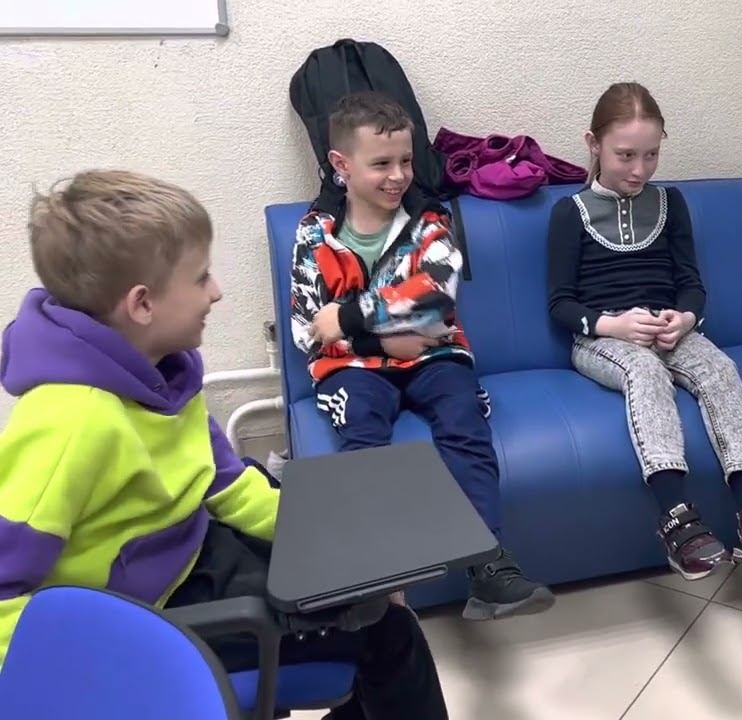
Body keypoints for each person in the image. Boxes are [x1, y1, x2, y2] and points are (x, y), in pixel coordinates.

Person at [0, 170, 449, 718]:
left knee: (376, 593)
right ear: (142, 304)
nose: (216, 291)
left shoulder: (159, 370)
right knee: (390, 636)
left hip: (195, 555)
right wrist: (90, 683)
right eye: (200, 278)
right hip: (146, 621)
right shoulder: (70, 421)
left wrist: (338, 539)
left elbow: (226, 482)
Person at [291, 91, 553, 620]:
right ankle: (378, 580)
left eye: (406, 161)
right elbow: (307, 330)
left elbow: (434, 296)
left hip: (434, 355)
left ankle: (488, 565)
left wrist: (348, 316)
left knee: (464, 421)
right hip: (354, 367)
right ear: (341, 164)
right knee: (363, 435)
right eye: (381, 164)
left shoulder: (430, 221)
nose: (398, 176)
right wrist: (382, 341)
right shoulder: (314, 233)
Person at [546, 82, 742, 581]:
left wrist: (684, 319)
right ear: (593, 144)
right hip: (602, 337)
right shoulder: (569, 213)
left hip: (669, 329)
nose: (639, 170)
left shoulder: (670, 203)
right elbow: (560, 304)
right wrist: (614, 325)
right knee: (645, 373)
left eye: (651, 155)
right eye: (625, 156)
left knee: (720, 369)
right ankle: (677, 520)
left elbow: (691, 285)